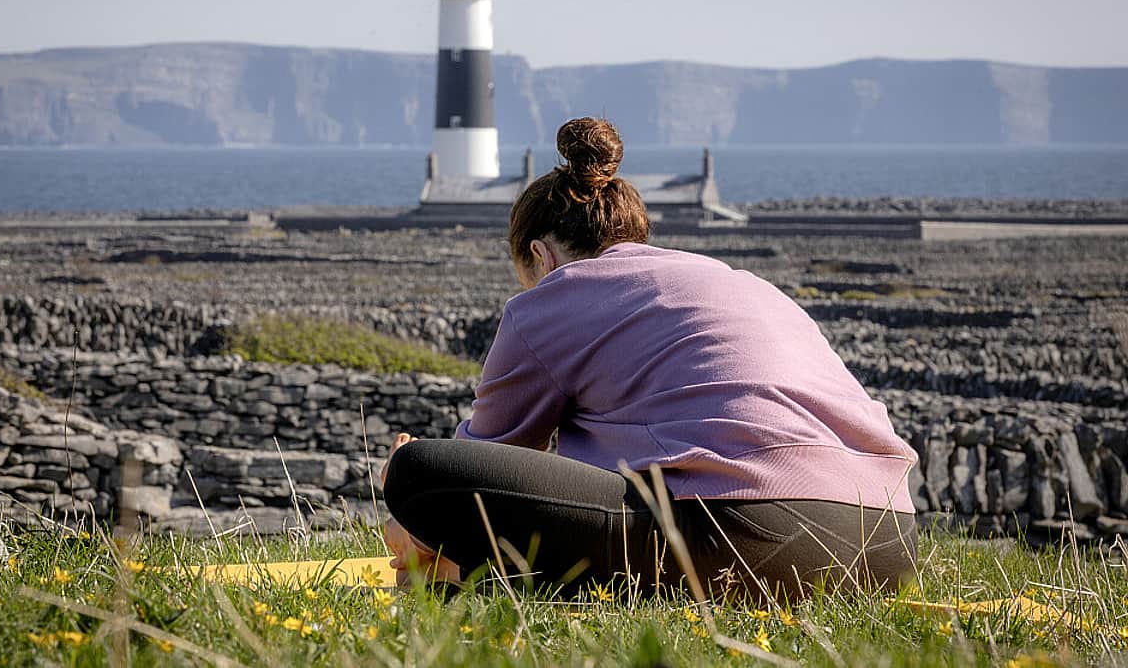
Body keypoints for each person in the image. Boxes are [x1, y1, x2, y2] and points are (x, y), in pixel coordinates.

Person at [381, 117, 918, 600]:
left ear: (540, 256)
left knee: (420, 472)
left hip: (747, 534)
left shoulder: (553, 295)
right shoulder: (737, 282)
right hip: (889, 545)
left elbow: (493, 454)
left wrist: (415, 519)